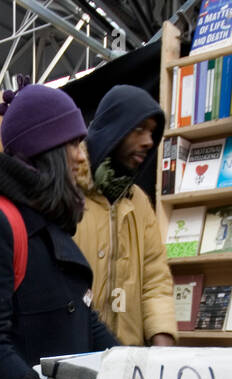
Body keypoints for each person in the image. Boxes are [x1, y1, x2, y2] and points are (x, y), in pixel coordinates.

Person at [0, 81, 118, 379]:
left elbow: (83, 319)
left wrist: (136, 366)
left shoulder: (53, 226)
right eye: (72, 142)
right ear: (44, 148)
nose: (80, 156)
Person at [72, 85, 176, 347]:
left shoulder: (138, 202)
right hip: (72, 358)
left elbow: (155, 279)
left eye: (152, 132)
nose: (148, 141)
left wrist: (162, 352)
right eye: (139, 129)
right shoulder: (67, 191)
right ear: (112, 129)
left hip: (129, 361)